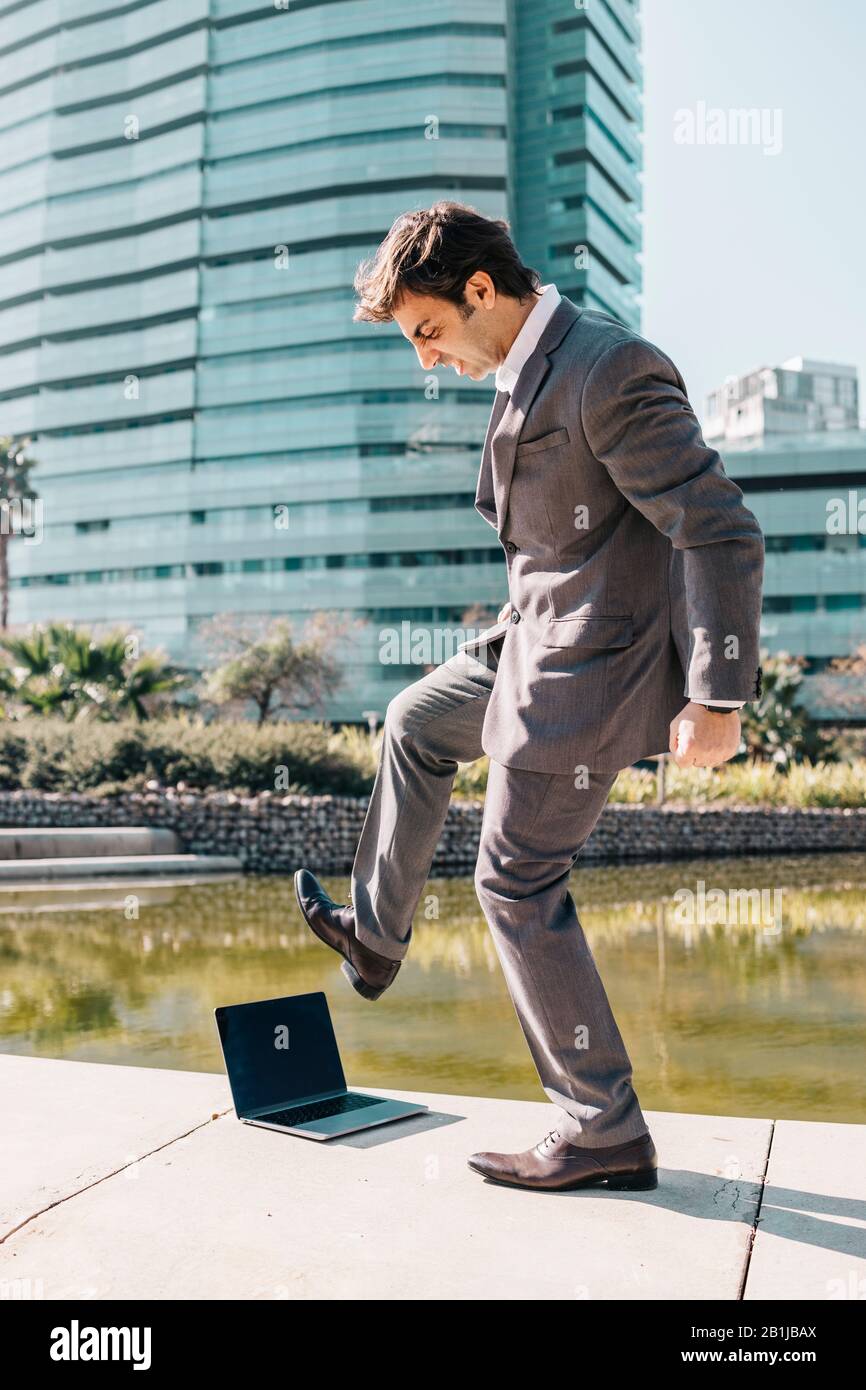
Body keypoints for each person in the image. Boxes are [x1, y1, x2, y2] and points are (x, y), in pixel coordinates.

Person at [294, 201, 764, 1193]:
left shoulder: (605, 367)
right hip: (528, 646)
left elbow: (717, 530)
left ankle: (600, 1126)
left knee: (513, 883)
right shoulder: (520, 375)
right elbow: (557, 550)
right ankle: (375, 941)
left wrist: (716, 696)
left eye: (426, 332)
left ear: (478, 290)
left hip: (587, 674)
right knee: (416, 719)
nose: (425, 359)